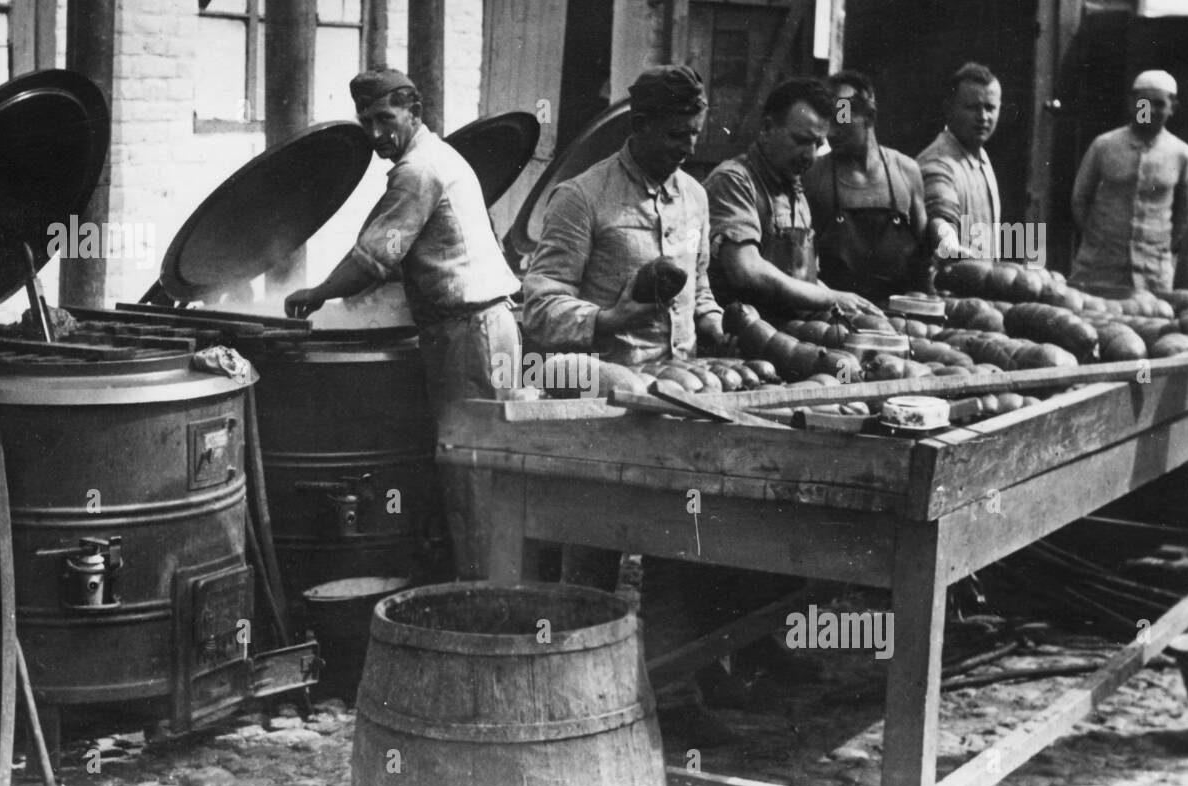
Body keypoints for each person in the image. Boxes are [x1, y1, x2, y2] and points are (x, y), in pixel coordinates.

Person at [284, 68, 520, 579]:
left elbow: (374, 259)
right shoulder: (438, 158)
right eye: (365, 121)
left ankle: (483, 594)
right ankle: (480, 584)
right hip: (476, 327)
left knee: (471, 472)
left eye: (384, 118)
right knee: (475, 468)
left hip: (469, 333)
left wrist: (318, 294)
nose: (374, 134)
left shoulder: (417, 170)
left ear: (414, 111)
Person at [523, 64, 730, 366]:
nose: (690, 148)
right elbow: (541, 310)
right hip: (610, 389)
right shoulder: (581, 198)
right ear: (641, 124)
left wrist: (712, 321)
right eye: (677, 134)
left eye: (695, 133)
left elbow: (698, 283)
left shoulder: (695, 196)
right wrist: (607, 320)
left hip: (686, 381)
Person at [704, 77, 881, 321]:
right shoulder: (734, 181)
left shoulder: (795, 191)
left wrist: (849, 306)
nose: (810, 155)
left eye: (818, 143)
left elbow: (804, 281)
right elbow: (746, 270)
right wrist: (831, 298)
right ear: (767, 129)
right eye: (801, 140)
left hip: (790, 339)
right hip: (741, 342)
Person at [805, 70, 931, 300]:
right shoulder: (813, 176)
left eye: (841, 118)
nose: (831, 131)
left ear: (870, 116)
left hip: (901, 321)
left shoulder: (906, 172)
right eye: (827, 120)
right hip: (837, 319)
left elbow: (925, 263)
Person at [1070, 69, 1188, 293]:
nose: (1149, 110)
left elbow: (1185, 212)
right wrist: (1097, 240)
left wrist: (1159, 248)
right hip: (1099, 269)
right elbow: (1080, 199)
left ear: (1172, 107)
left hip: (1152, 273)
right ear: (1132, 104)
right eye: (1143, 103)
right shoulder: (1104, 145)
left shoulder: (1182, 154)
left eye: (1159, 104)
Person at [917, 62, 1003, 262]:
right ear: (949, 109)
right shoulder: (938, 162)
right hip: (949, 288)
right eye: (972, 107)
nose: (983, 117)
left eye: (990, 108)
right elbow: (940, 213)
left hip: (978, 287)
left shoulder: (980, 155)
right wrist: (949, 246)